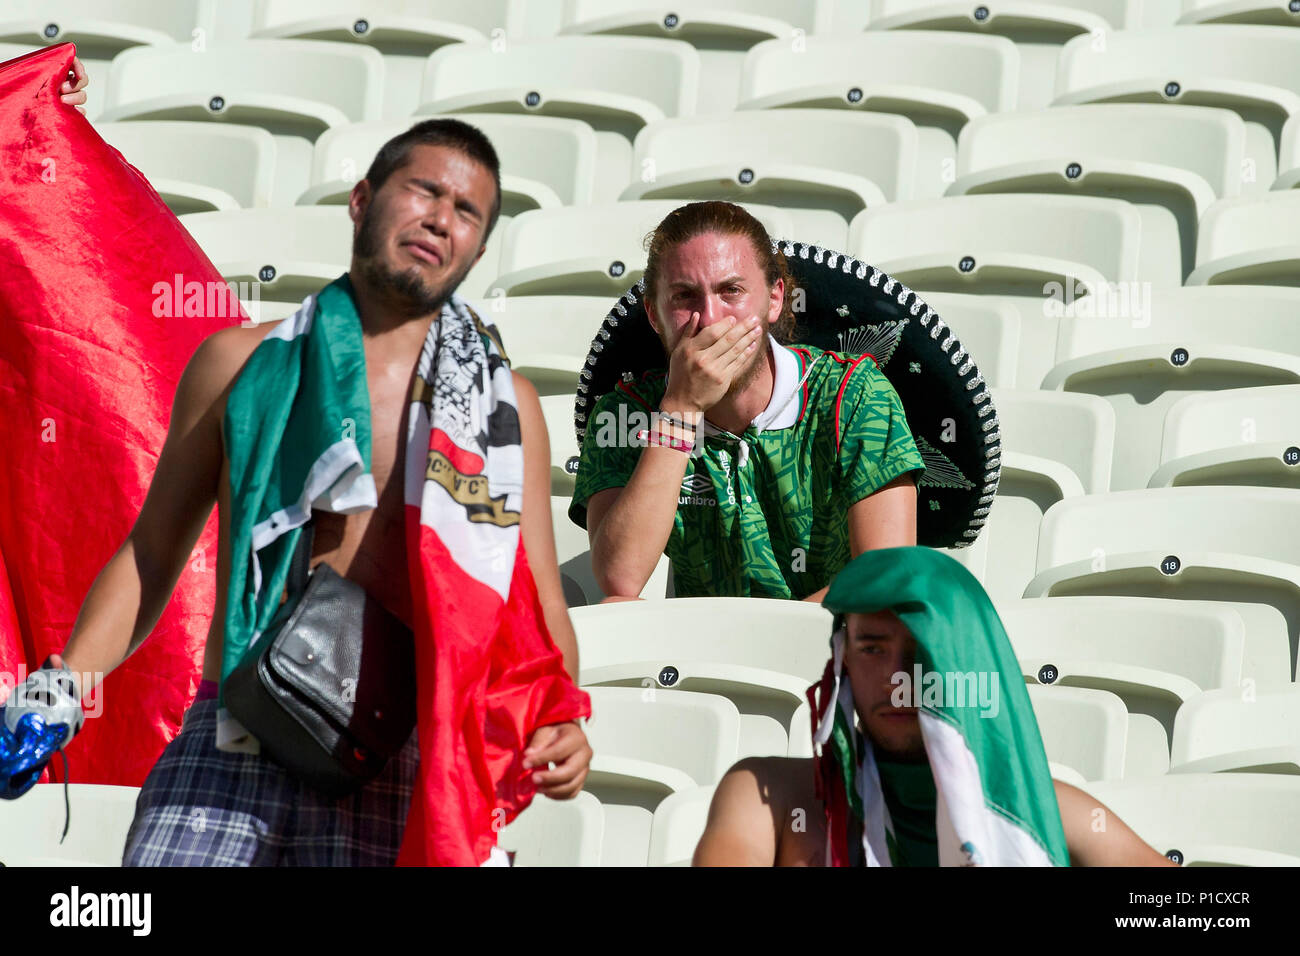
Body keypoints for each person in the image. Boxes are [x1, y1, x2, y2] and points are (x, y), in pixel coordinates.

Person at [5, 108, 592, 865]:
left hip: (391, 759)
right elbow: (154, 554)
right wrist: (63, 686)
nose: (442, 219)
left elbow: (541, 598)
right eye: (424, 191)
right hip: (233, 739)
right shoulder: (237, 363)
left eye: (468, 212)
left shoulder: (504, 408)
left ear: (479, 246)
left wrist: (562, 717)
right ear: (361, 199)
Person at [694, 546, 1176, 867]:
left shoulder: (1049, 812)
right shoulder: (767, 797)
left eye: (924, 654)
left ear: (969, 664)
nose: (898, 678)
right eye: (872, 649)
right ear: (840, 663)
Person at [571, 201, 925, 603]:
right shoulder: (626, 412)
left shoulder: (855, 394)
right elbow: (620, 577)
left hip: (826, 647)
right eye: (685, 296)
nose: (710, 319)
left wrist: (756, 643)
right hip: (697, 655)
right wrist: (681, 411)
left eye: (731, 291)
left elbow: (885, 576)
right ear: (654, 315)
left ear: (774, 299)